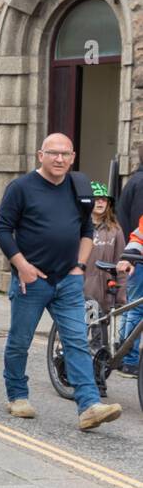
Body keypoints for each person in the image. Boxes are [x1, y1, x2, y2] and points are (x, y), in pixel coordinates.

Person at [0, 133, 121, 430]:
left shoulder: (78, 187)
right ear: (41, 155)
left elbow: (87, 231)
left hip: (68, 281)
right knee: (20, 341)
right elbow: (2, 228)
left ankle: (89, 405)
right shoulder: (21, 188)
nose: (59, 159)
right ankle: (17, 396)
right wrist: (22, 266)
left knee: (76, 341)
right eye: (53, 153)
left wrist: (79, 266)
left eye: (65, 154)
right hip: (32, 280)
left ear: (73, 157)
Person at [110, 159, 143, 376]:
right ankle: (127, 357)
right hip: (139, 260)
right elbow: (139, 233)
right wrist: (129, 257)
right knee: (137, 307)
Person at [84, 183, 126, 328]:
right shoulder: (80, 227)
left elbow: (121, 261)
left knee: (101, 335)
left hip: (107, 293)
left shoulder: (115, 230)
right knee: (86, 327)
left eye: (104, 199)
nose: (101, 202)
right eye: (97, 198)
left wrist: (121, 293)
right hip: (85, 290)